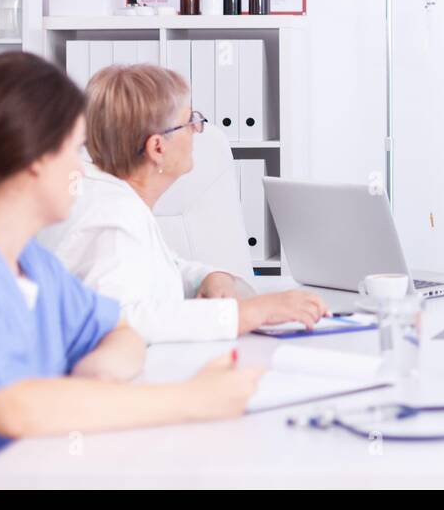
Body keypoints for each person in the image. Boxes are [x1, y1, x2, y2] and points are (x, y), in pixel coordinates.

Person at [0, 52, 263, 489]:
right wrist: (190, 400)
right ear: (33, 159)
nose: (82, 169)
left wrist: (94, 378)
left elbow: (121, 330)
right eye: (71, 150)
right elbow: (14, 408)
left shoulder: (33, 266)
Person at [48, 65, 327, 343]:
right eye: (189, 120)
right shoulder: (114, 219)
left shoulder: (114, 201)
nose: (198, 128)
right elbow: (119, 320)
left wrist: (207, 277)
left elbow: (154, 267)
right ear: (158, 148)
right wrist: (248, 313)